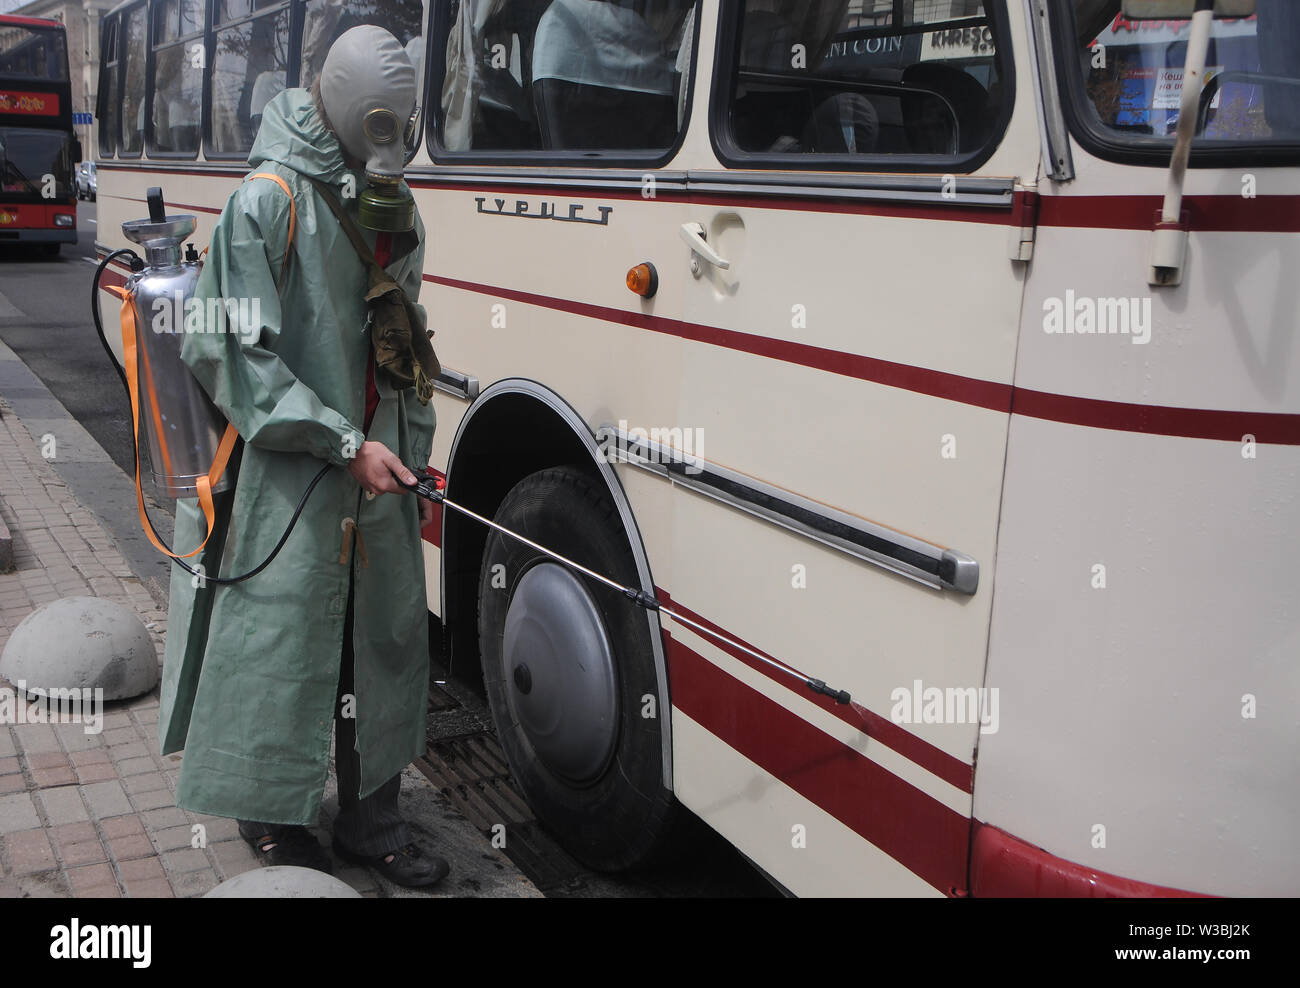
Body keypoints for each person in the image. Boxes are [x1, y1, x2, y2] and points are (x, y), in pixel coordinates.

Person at [157, 26, 447, 888]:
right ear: (350, 114)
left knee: (385, 644)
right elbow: (229, 355)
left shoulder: (392, 205)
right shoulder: (266, 203)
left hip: (377, 470)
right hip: (290, 474)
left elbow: (406, 347)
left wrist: (412, 454)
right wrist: (338, 441)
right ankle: (272, 815)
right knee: (281, 643)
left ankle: (372, 821)